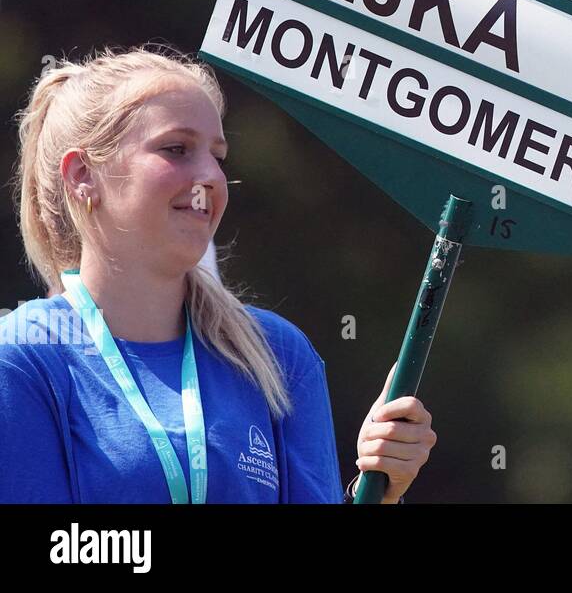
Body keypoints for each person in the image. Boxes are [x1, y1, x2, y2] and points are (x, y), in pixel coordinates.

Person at [0, 44, 436, 503]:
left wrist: (382, 492)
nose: (210, 175)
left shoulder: (279, 354)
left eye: (218, 156)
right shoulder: (22, 356)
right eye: (176, 149)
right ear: (83, 174)